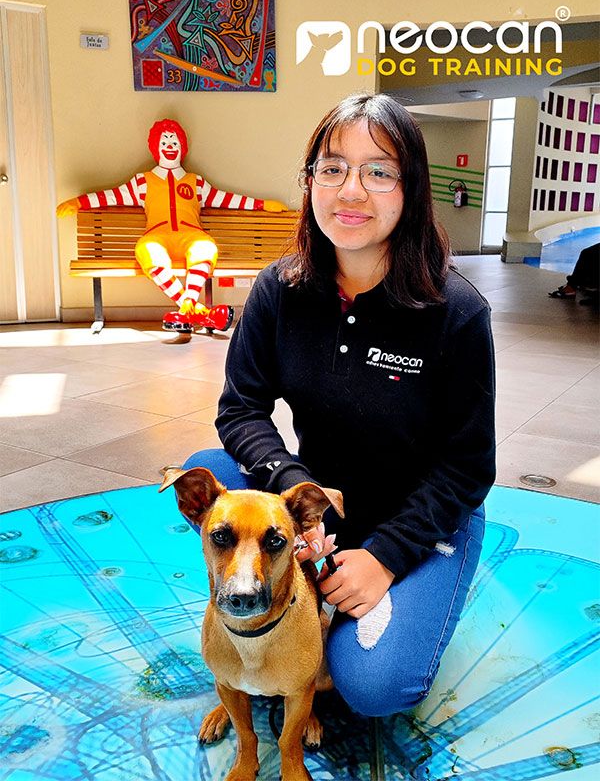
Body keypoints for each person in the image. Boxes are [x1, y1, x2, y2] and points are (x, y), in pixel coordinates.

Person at [183, 93, 496, 717]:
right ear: (310, 183)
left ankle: (425, 584)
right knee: (207, 471)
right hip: (316, 510)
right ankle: (265, 598)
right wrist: (298, 492)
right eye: (333, 169)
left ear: (411, 192)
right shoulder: (281, 289)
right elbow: (240, 409)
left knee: (374, 687)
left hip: (423, 522)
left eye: (379, 172)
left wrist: (384, 557)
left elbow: (468, 466)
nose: (352, 190)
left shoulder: (455, 313)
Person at [57, 119, 287, 332]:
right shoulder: (142, 182)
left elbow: (226, 199)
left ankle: (187, 308)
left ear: (183, 146)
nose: (170, 145)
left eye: (174, 141)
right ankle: (193, 308)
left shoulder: (195, 182)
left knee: (205, 249)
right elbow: (112, 196)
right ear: (155, 147)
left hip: (192, 235)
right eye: (164, 141)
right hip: (157, 236)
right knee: (147, 251)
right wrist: (78, 203)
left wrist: (262, 205)